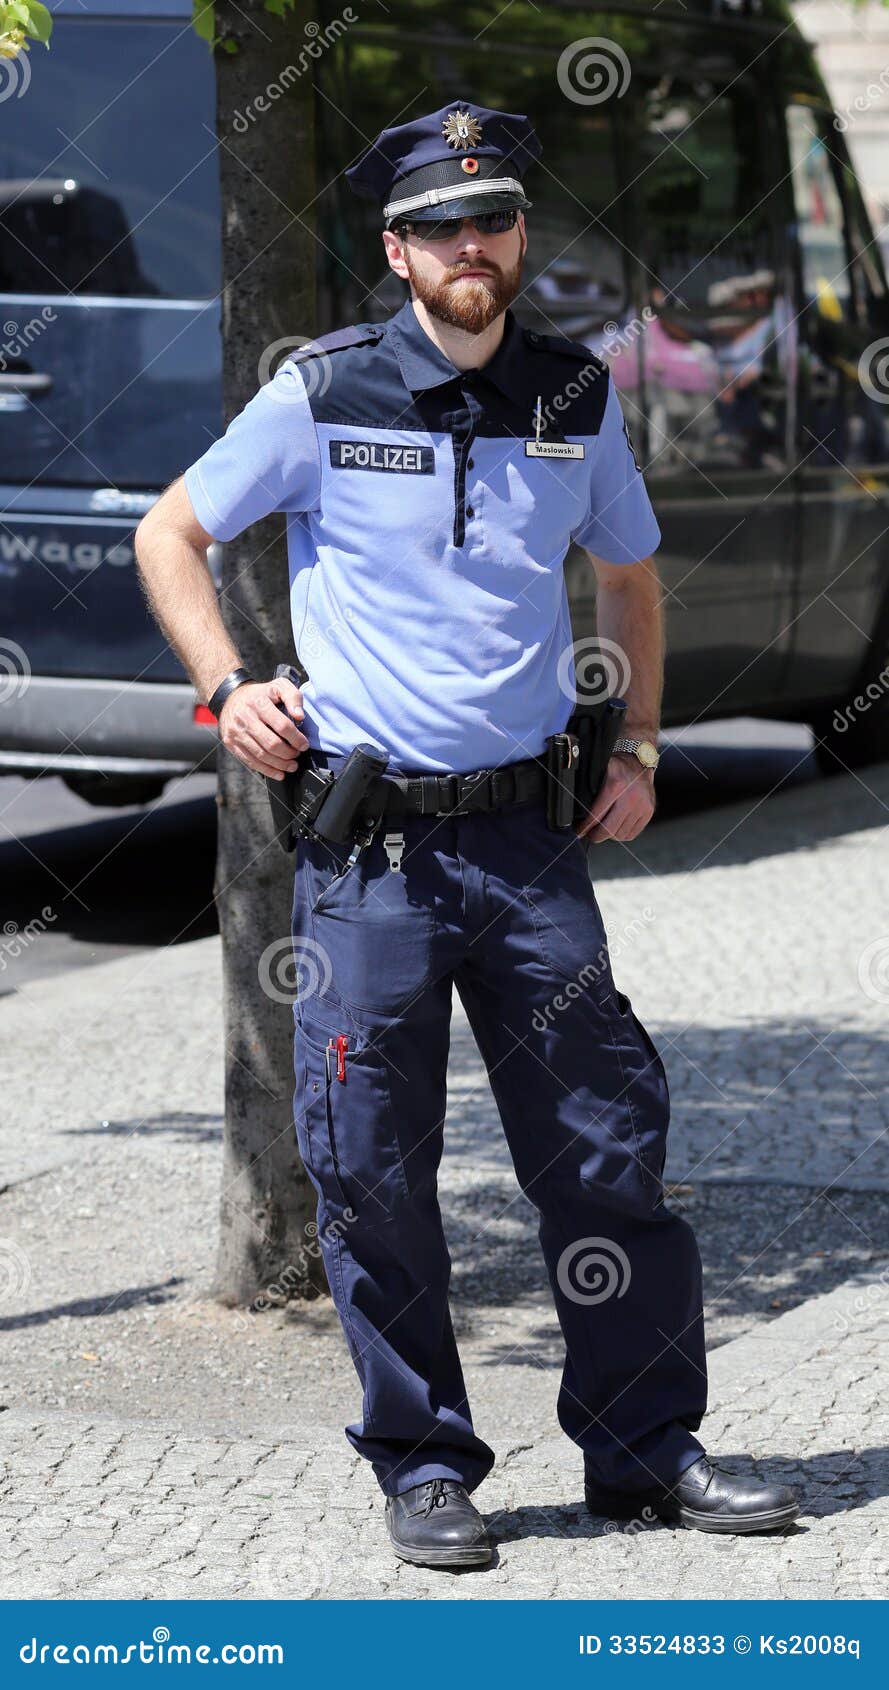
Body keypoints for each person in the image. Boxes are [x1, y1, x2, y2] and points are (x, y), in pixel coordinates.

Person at [135, 99, 800, 1569]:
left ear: (515, 238)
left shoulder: (576, 394)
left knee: (605, 1145)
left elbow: (628, 575)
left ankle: (643, 1448)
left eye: (492, 219)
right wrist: (226, 689)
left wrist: (628, 740)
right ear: (396, 250)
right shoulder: (322, 394)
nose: (470, 246)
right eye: (439, 226)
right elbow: (166, 533)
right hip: (370, 858)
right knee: (373, 1167)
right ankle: (424, 1460)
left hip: (528, 846)